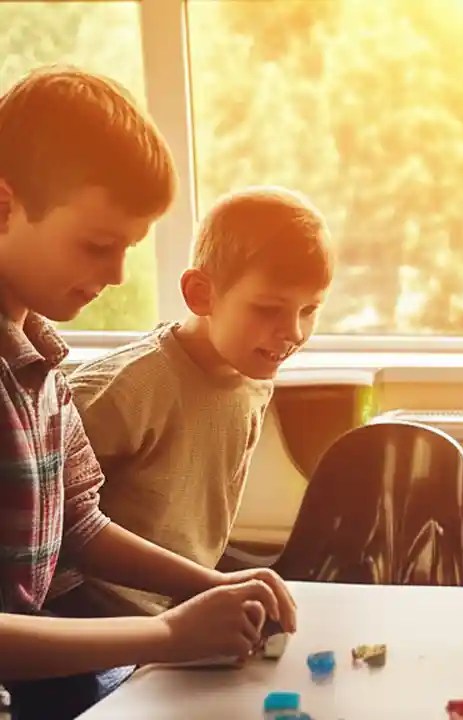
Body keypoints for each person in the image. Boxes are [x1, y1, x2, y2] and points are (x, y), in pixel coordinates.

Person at [0, 66, 295, 719]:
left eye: (128, 248)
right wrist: (165, 634)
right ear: (4, 207)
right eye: (97, 245)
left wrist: (210, 584)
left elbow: (79, 524)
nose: (116, 273)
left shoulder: (40, 365)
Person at [53, 186, 333, 618]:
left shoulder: (254, 378)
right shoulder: (126, 388)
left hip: (182, 604)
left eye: (309, 310)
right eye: (267, 309)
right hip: (96, 621)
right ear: (201, 294)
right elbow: (48, 522)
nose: (294, 332)